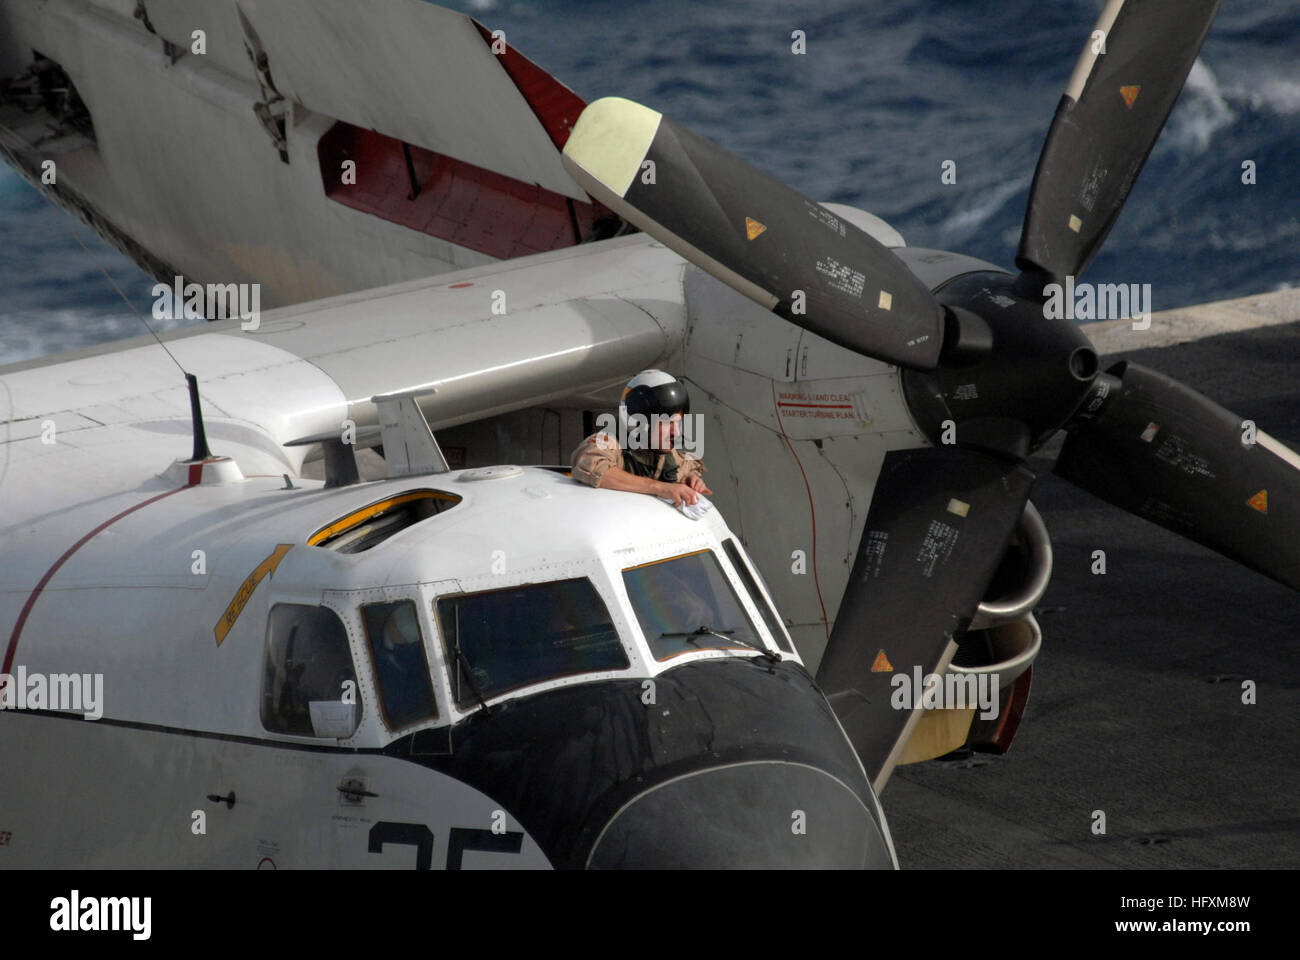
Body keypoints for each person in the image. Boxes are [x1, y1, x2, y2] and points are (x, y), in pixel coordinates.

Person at [571, 370, 712, 506]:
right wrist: (661, 488)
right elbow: (590, 466)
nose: (676, 432)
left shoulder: (665, 453)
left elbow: (686, 466)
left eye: (678, 423)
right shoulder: (610, 442)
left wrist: (691, 479)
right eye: (667, 423)